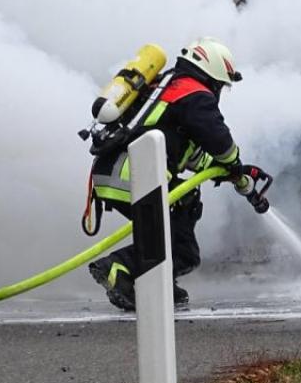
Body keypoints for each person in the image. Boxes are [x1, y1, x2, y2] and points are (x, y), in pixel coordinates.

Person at [88, 36, 263, 311]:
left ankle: (155, 283)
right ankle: (119, 266)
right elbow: (219, 141)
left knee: (179, 210)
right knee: (183, 244)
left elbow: (194, 155)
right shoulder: (194, 94)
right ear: (213, 75)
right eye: (221, 85)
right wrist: (234, 161)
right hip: (133, 176)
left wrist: (232, 172)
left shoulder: (166, 88)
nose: (219, 92)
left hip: (113, 174)